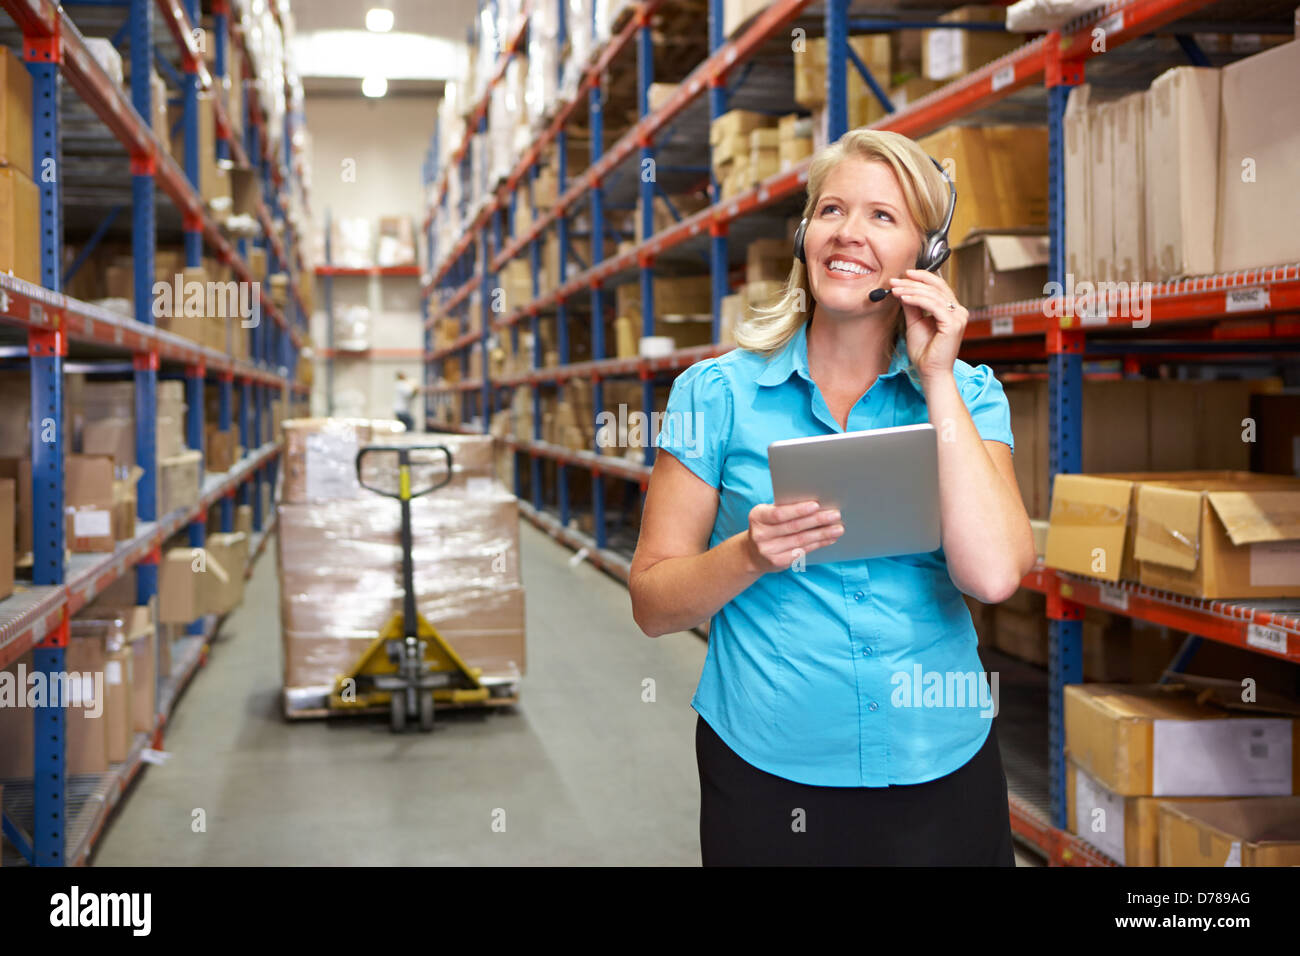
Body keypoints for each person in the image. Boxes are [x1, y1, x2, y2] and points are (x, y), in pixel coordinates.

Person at [628, 128, 1036, 866]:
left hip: (938, 759)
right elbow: (654, 605)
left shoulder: (968, 395)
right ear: (805, 233)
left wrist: (938, 377)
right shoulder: (715, 395)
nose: (849, 233)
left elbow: (994, 575)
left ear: (927, 256)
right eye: (831, 210)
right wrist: (749, 554)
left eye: (884, 217)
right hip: (767, 766)